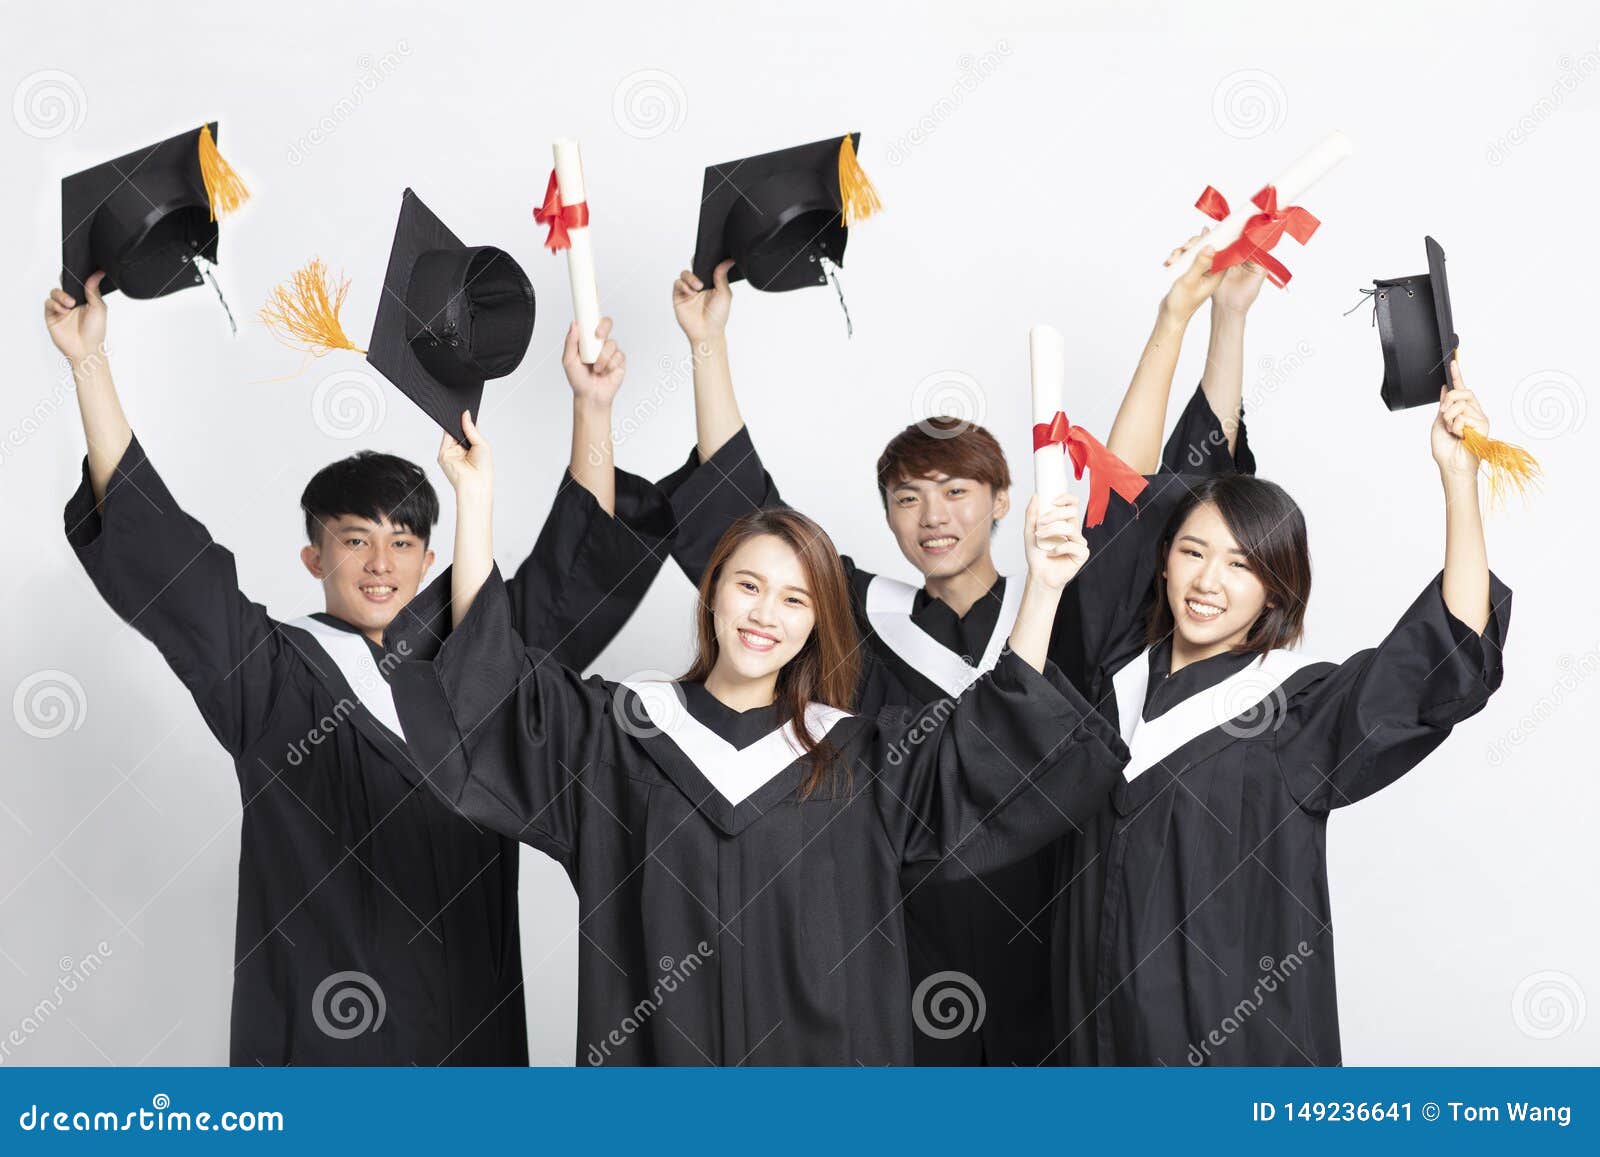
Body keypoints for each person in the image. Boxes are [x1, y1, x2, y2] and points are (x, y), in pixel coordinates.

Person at [648, 240, 1263, 1064]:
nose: (933, 516)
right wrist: (707, 347)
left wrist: (1195, 317)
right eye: (909, 497)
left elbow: (1143, 489)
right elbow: (744, 517)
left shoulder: (1062, 605)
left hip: (1057, 944)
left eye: (957, 491)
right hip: (896, 944)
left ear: (1002, 499)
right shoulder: (858, 617)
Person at [46, 270, 670, 1066]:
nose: (381, 564)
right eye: (354, 539)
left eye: (402, 542)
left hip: (468, 1043)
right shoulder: (272, 676)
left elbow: (571, 574)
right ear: (314, 556)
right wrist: (88, 362)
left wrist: (593, 407)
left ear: (431, 557)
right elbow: (170, 561)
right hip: (321, 1055)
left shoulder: (478, 674)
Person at [383, 411, 1129, 1065]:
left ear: (815, 625)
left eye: (795, 597)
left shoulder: (866, 761)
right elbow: (494, 690)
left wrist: (1045, 587)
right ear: (711, 594)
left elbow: (991, 745)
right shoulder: (620, 736)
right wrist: (473, 501)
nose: (765, 613)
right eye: (748, 585)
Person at [1047, 358, 1511, 1065]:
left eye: (1241, 565)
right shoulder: (1109, 681)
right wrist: (1207, 315)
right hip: (1090, 1061)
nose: (1208, 580)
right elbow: (1127, 499)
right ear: (1162, 562)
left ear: (1276, 589)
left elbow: (1442, 657)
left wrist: (1459, 480)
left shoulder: (1296, 708)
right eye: (1192, 551)